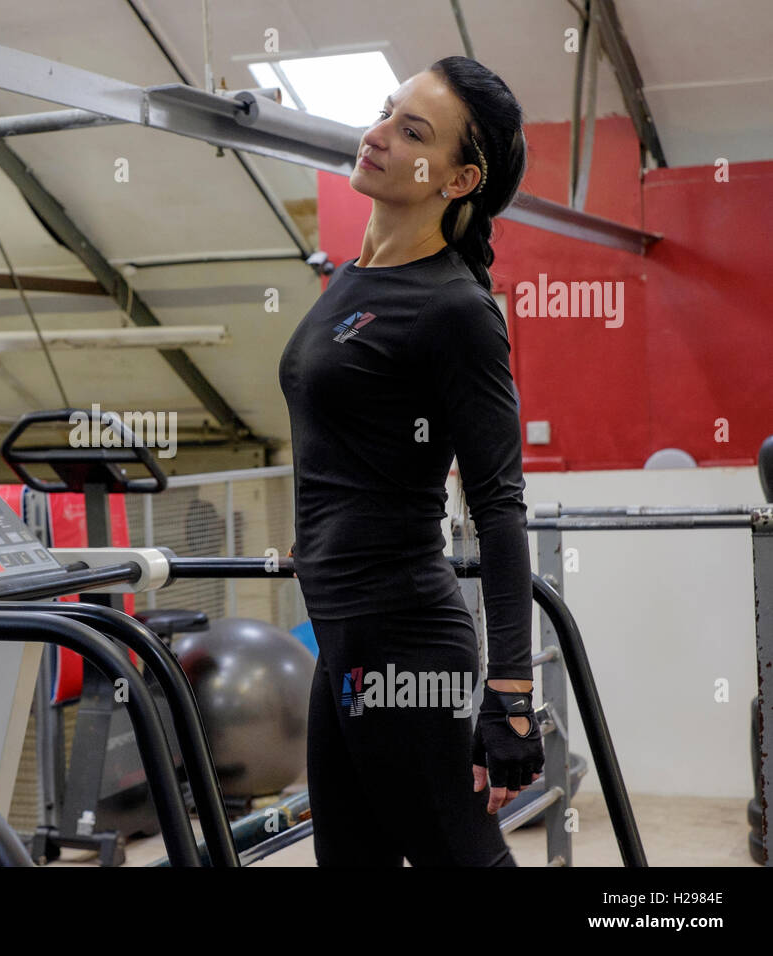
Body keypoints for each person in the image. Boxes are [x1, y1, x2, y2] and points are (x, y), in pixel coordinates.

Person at [278, 56, 544, 866]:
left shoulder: (457, 308)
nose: (379, 135)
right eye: (388, 113)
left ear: (459, 179)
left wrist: (513, 694)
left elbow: (500, 506)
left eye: (413, 131)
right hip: (342, 635)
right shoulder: (353, 279)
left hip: (402, 641)